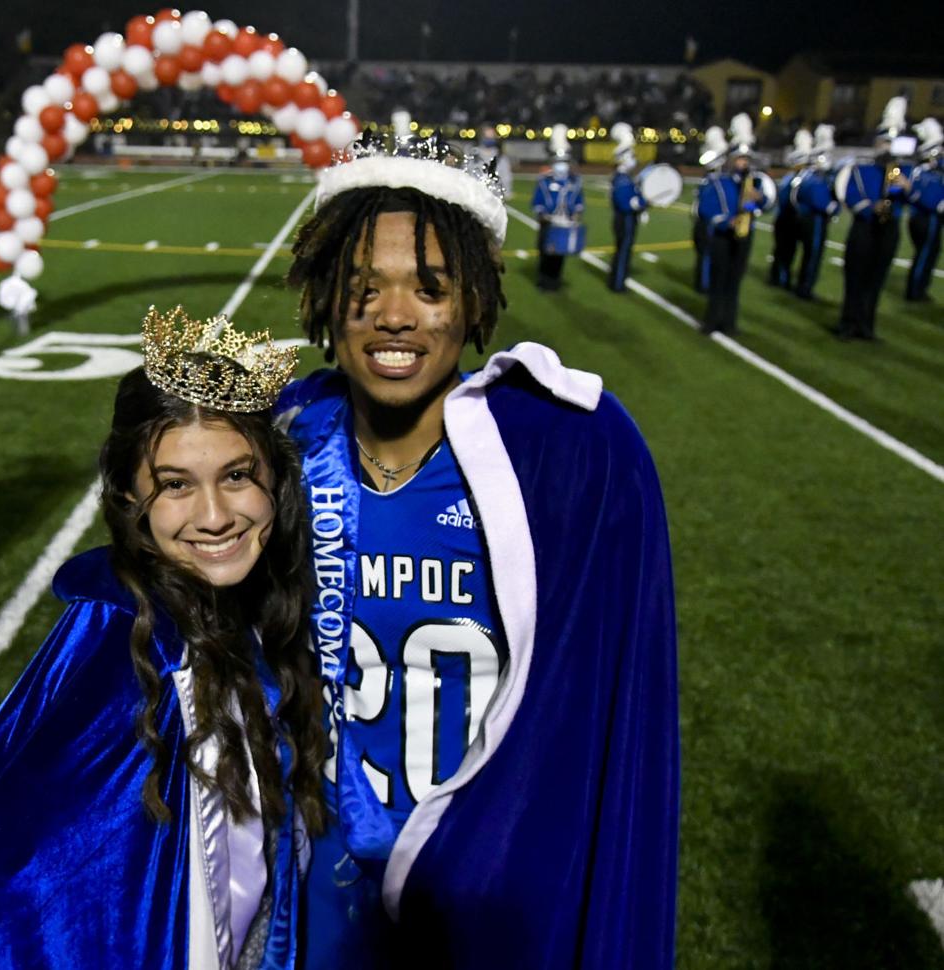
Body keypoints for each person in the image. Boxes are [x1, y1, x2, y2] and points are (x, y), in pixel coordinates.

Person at [283, 136, 679, 969]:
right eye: (362, 289)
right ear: (325, 299)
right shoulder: (285, 440)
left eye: (429, 289)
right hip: (320, 871)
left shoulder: (561, 454)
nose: (393, 315)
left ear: (473, 301)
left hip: (490, 875)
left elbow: (611, 698)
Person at [0, 307, 326, 969]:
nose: (214, 517)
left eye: (237, 475)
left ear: (275, 479)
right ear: (129, 497)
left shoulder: (241, 606)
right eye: (175, 486)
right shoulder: (117, 644)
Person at [837, 97, 913, 340]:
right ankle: (848, 324)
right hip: (864, 228)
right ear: (877, 143)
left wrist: (907, 188)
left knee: (876, 279)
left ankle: (867, 325)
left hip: (889, 228)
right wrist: (871, 207)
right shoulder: (861, 168)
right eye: (884, 142)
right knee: (856, 277)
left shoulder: (905, 171)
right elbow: (850, 196)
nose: (888, 148)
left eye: (892, 143)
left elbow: (916, 200)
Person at [697, 113, 770, 334]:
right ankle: (712, 321)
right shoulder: (718, 181)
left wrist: (760, 200)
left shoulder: (753, 182)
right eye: (739, 158)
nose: (743, 163)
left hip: (744, 236)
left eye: (746, 159)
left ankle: (729, 322)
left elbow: (766, 205)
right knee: (718, 280)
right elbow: (705, 209)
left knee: (734, 282)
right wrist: (725, 222)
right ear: (731, 159)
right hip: (723, 237)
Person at [530, 123, 584, 291]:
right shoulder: (545, 181)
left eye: (564, 162)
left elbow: (578, 201)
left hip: (564, 222)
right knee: (546, 252)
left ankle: (555, 280)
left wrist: (576, 213)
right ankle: (543, 281)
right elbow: (537, 201)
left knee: (560, 253)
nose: (562, 165)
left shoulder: (574, 181)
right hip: (548, 222)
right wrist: (543, 215)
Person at [792, 125, 841, 300]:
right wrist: (834, 208)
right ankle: (805, 289)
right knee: (812, 255)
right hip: (814, 220)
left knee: (810, 255)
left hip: (809, 218)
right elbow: (821, 202)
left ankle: (803, 285)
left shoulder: (809, 175)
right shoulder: (815, 178)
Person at [904, 117, 943, 302]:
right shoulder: (923, 172)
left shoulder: (926, 171)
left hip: (926, 217)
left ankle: (920, 288)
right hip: (925, 217)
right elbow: (916, 194)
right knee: (924, 253)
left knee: (930, 253)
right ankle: (915, 291)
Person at [769, 129, 811, 289]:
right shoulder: (790, 180)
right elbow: (786, 199)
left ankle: (781, 277)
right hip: (784, 219)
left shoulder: (795, 179)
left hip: (791, 220)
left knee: (788, 251)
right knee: (783, 251)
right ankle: (779, 278)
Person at [608, 121, 646, 292]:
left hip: (626, 219)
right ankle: (618, 284)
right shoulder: (622, 179)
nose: (634, 158)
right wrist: (645, 202)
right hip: (625, 219)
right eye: (630, 155)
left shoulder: (625, 177)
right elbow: (627, 204)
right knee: (623, 252)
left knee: (624, 250)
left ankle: (618, 279)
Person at [691, 125, 729, 294]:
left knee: (704, 255)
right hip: (708, 223)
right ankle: (704, 285)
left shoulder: (708, 180)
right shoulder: (715, 181)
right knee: (707, 255)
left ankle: (702, 282)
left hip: (701, 221)